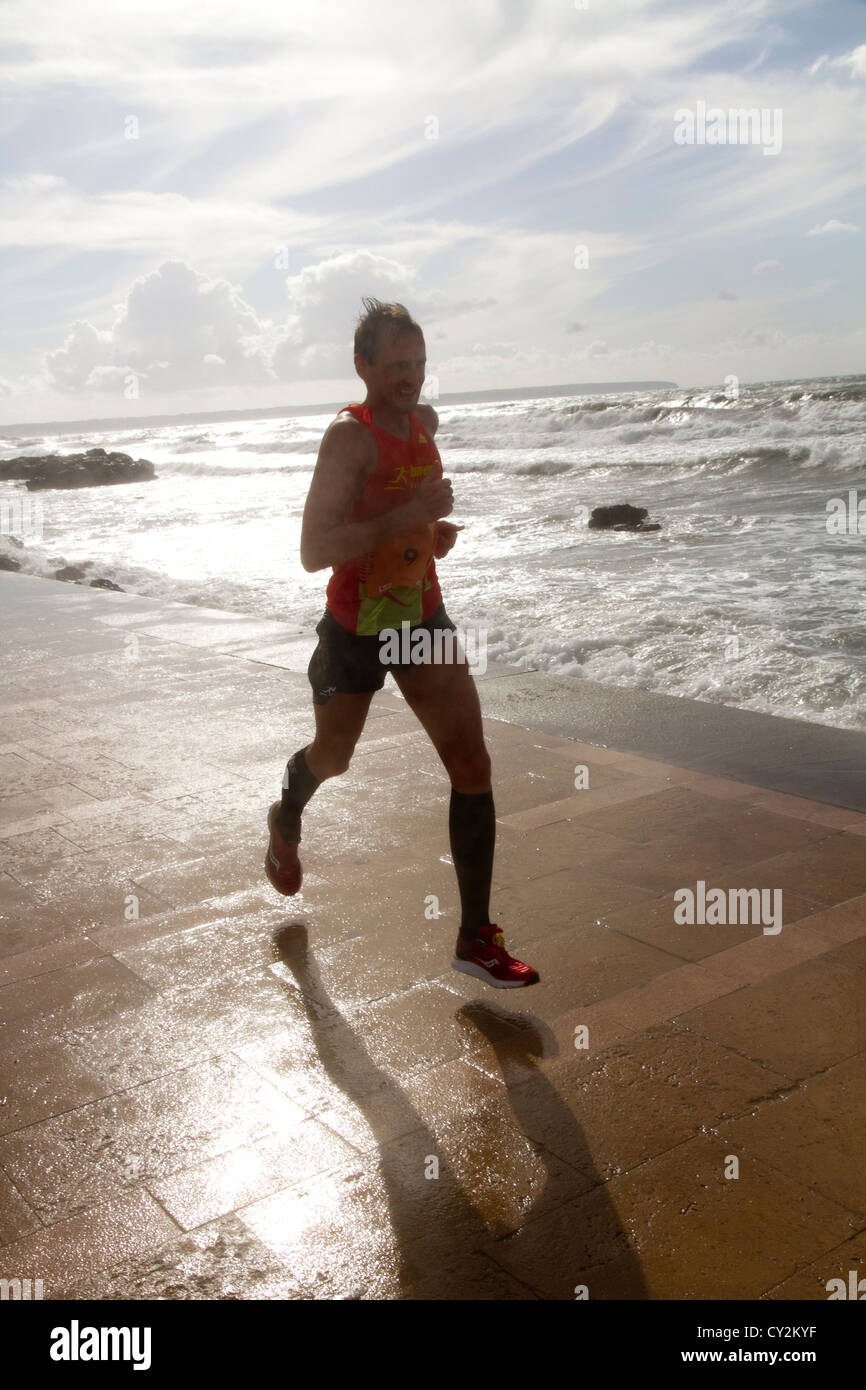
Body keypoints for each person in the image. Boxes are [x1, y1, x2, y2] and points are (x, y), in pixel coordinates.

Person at [265, 297, 539, 988]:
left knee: (472, 764)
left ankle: (475, 937)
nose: (410, 378)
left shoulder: (424, 422)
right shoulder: (349, 439)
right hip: (356, 628)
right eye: (396, 366)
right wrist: (409, 516)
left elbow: (404, 522)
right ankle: (286, 810)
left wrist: (429, 537)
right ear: (362, 366)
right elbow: (312, 550)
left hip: (421, 619)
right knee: (334, 756)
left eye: (418, 364)